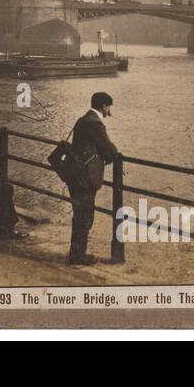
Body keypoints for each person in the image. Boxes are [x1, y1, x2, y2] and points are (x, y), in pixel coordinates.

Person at [50, 91, 120, 265]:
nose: (110, 110)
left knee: (80, 213)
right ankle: (77, 256)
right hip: (84, 178)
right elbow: (109, 149)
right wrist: (113, 156)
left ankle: (78, 252)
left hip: (75, 174)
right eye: (109, 106)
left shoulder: (83, 119)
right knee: (84, 215)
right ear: (104, 106)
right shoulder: (95, 123)